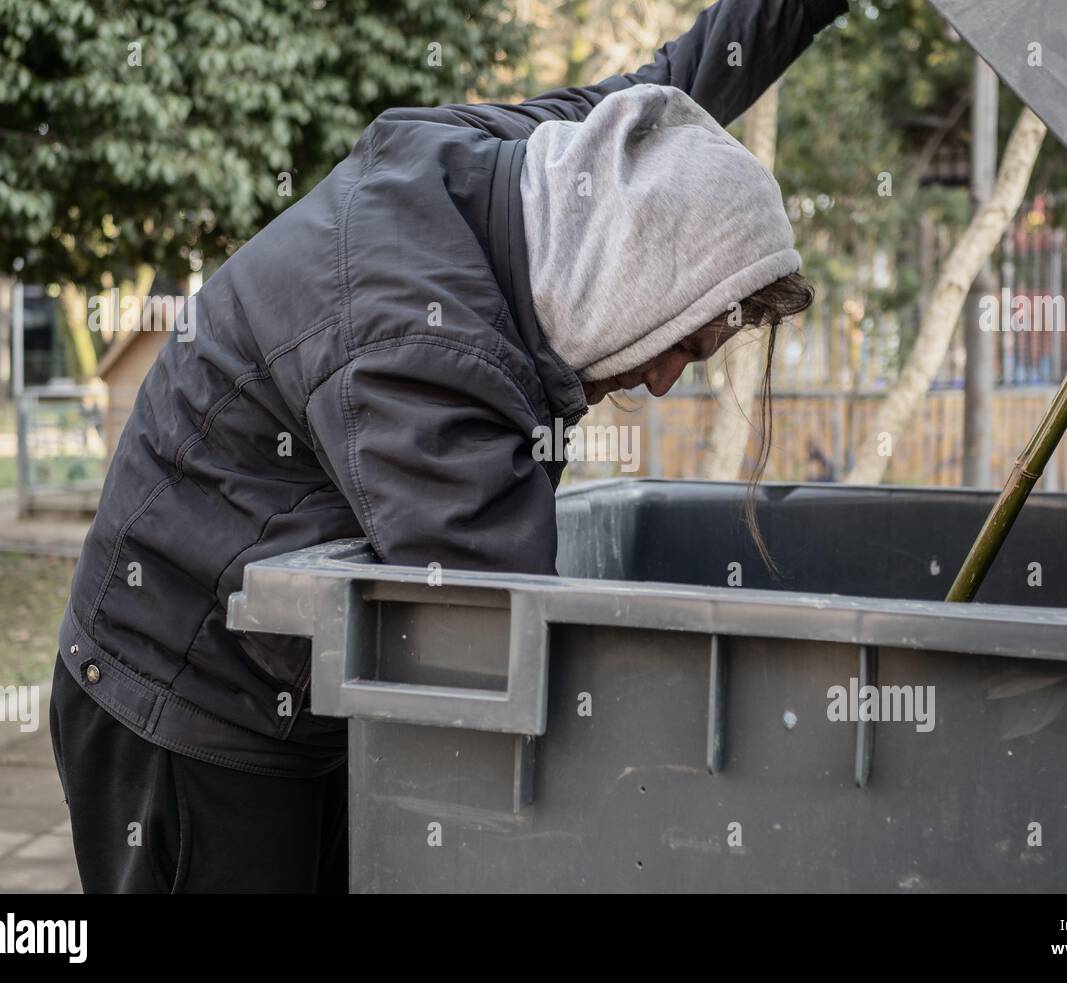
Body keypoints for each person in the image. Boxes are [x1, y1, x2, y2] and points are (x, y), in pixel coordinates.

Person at [49, 0, 848, 892]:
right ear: (632, 283)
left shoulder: (545, 181)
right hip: (186, 710)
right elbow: (502, 639)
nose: (664, 382)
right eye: (684, 346)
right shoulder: (426, 356)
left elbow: (670, 98)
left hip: (293, 687)